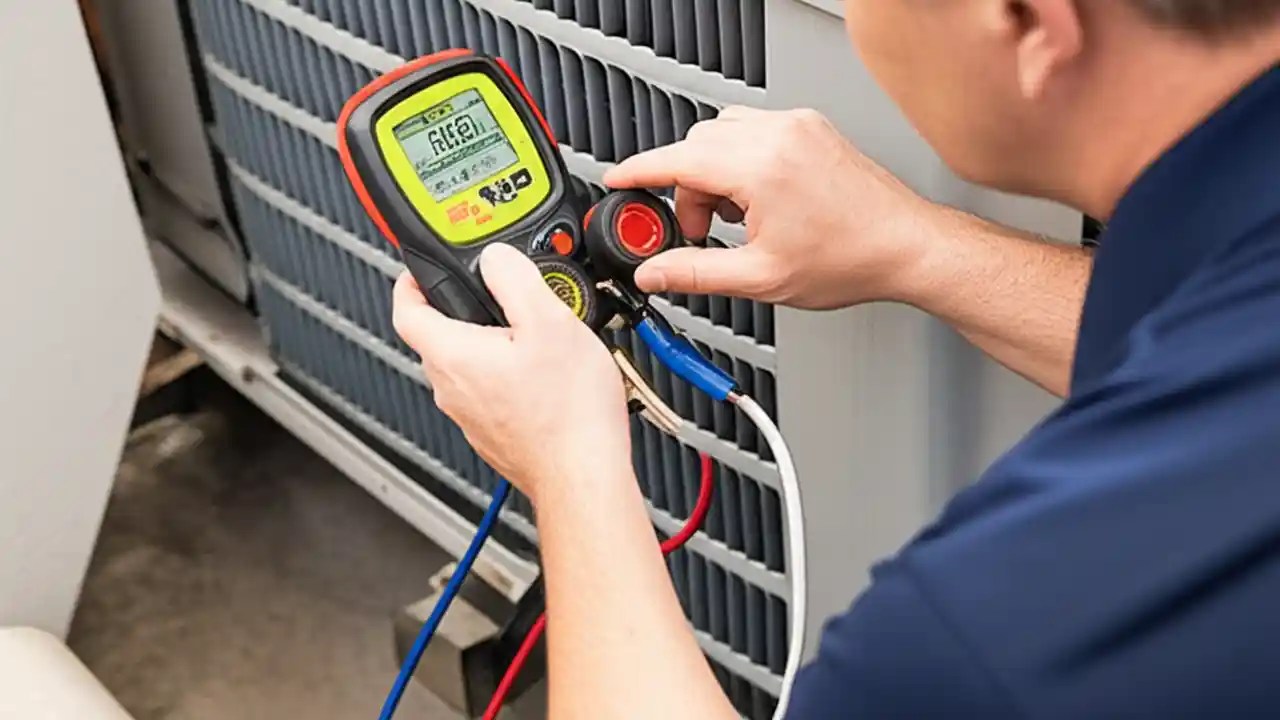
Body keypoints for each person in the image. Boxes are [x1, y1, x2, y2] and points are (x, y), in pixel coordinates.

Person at [391, 0, 1280, 716]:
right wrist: (915, 245)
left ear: (1029, 20)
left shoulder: (1005, 638)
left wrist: (570, 467)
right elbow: (1205, 340)